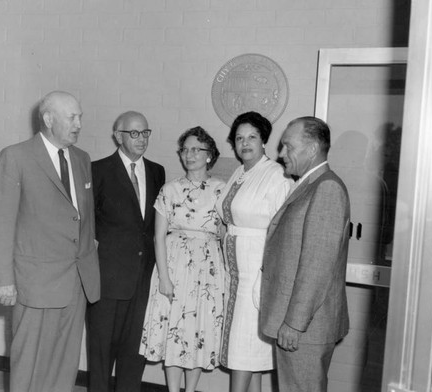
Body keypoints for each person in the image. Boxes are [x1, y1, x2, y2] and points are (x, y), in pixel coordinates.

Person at [0, 90, 101, 392]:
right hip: (34, 280)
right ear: (48, 119)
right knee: (30, 360)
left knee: (65, 360)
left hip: (75, 281)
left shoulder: (82, 159)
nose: (78, 124)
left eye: (80, 117)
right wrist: (4, 280)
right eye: (71, 117)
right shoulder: (16, 156)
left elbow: (82, 218)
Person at [260, 116, 350, 392]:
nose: (281, 154)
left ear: (311, 149)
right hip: (301, 324)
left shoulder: (326, 188)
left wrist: (294, 324)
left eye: (288, 146)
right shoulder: (310, 183)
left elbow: (317, 266)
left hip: (305, 328)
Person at [139, 127, 226, 392]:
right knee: (174, 331)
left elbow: (225, 234)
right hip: (174, 267)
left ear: (209, 155)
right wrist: (164, 277)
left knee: (198, 329)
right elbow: (158, 237)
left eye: (196, 149)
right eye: (185, 149)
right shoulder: (170, 189)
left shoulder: (221, 190)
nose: (189, 155)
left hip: (208, 271)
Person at [88, 111, 165, 392]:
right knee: (101, 352)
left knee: (135, 353)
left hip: (144, 281)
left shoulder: (157, 171)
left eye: (145, 132)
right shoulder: (97, 170)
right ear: (118, 136)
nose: (141, 139)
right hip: (107, 280)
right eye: (134, 133)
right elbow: (88, 224)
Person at [215, 111, 293, 392]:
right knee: (252, 357)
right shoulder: (241, 172)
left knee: (243, 351)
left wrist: (266, 275)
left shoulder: (277, 176)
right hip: (235, 274)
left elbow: (282, 234)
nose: (244, 143)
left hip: (256, 275)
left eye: (251, 137)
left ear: (264, 140)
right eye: (238, 138)